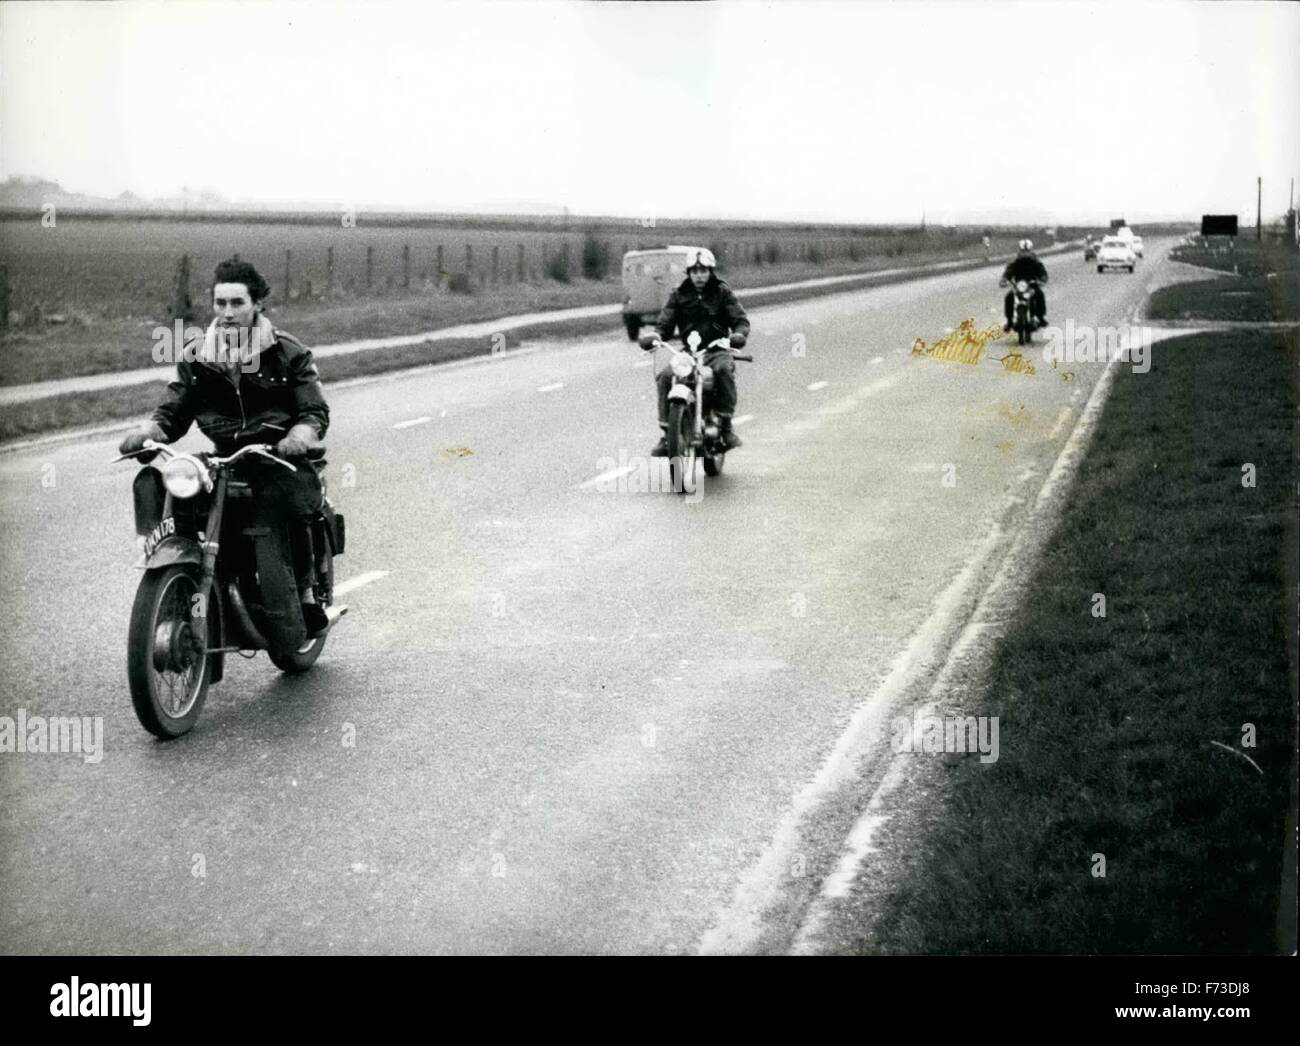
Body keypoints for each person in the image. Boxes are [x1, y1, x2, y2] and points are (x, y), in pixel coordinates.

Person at [118, 257, 331, 651]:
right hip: (225, 456)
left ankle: (302, 598)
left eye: (237, 303)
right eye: (221, 304)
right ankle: (174, 572)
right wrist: (149, 433)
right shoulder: (199, 355)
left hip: (277, 457)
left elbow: (314, 410)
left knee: (278, 502)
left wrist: (300, 435)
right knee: (168, 480)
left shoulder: (287, 352)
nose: (228, 313)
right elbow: (173, 410)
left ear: (257, 306)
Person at [639, 248, 751, 455]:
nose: (699, 275)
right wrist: (657, 337)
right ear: (689, 272)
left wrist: (738, 335)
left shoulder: (722, 292)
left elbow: (740, 320)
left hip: (717, 349)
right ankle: (667, 435)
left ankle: (726, 428)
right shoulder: (679, 294)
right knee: (665, 376)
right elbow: (665, 322)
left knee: (725, 370)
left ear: (710, 271)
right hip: (690, 353)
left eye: (703, 271)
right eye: (695, 271)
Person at [1001, 239, 1049, 330]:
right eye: (1023, 250)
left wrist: (1042, 279)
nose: (1025, 253)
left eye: (1027, 250)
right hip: (1019, 285)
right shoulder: (1014, 261)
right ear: (1020, 250)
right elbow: (1008, 271)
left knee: (1040, 295)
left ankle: (1041, 317)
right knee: (1009, 297)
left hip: (1032, 284)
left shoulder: (1035, 261)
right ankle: (1009, 321)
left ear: (1031, 250)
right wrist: (1004, 279)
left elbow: (1042, 271)